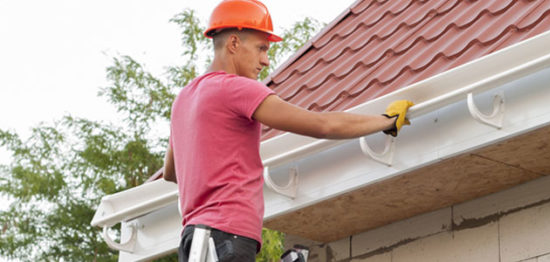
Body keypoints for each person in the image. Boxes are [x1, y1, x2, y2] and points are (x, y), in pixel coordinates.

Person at [161, 0, 414, 261]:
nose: (265, 61)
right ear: (234, 43)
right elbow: (322, 125)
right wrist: (386, 121)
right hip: (227, 234)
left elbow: (171, 172)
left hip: (194, 239)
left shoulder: (184, 99)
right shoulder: (237, 89)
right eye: (261, 48)